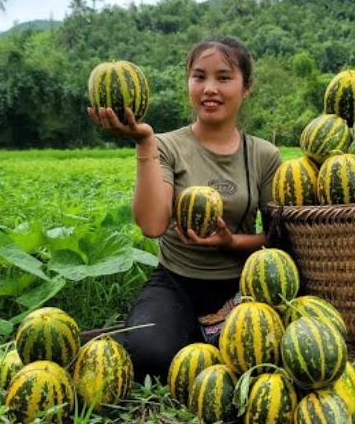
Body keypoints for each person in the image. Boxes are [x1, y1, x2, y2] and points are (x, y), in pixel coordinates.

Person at [87, 36, 282, 383]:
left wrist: (230, 243)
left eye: (224, 78)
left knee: (260, 358)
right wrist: (144, 141)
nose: (210, 88)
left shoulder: (264, 155)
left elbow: (275, 239)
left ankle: (198, 336)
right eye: (199, 76)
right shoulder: (166, 145)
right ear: (188, 82)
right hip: (176, 283)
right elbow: (151, 224)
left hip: (239, 289)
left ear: (246, 87)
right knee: (150, 357)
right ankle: (190, 333)